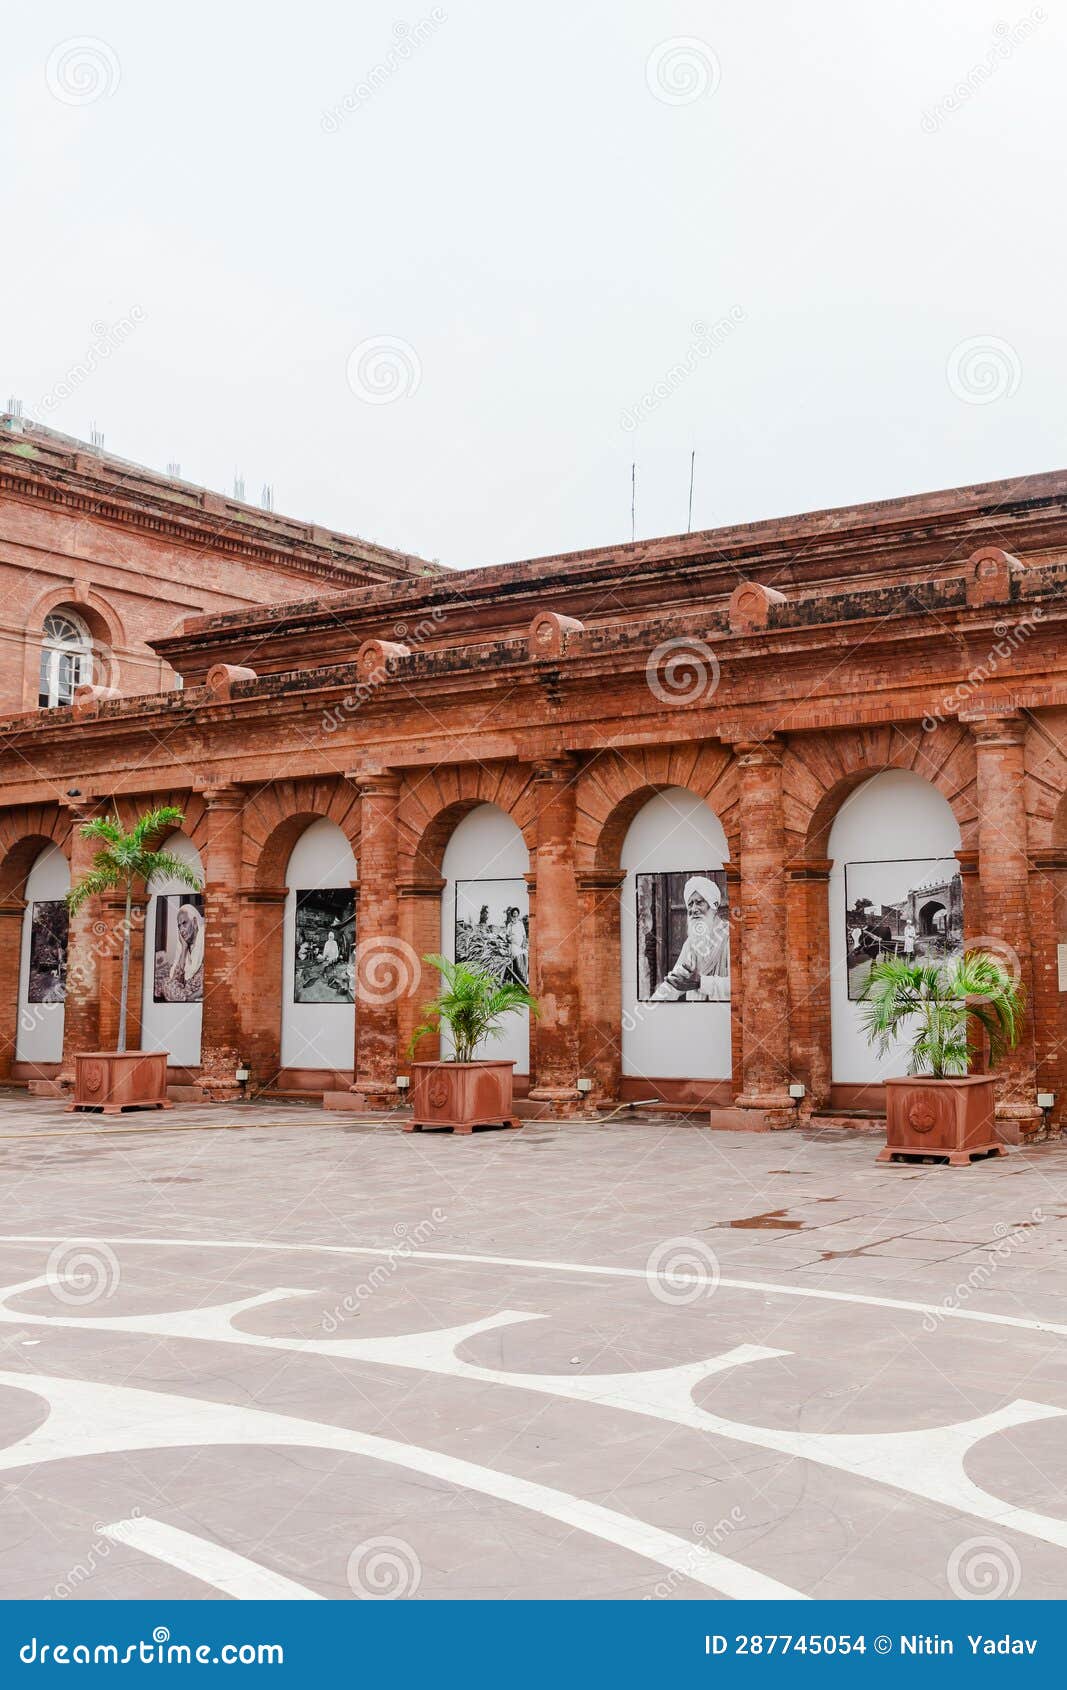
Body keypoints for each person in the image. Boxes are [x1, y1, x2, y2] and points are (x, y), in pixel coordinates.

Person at [651, 877, 730, 1001]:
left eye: (699, 902)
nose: (693, 909)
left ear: (713, 907)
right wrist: (652, 1002)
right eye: (690, 904)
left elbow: (740, 985)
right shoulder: (691, 943)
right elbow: (674, 982)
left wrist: (701, 982)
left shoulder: (729, 937)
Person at [167, 902, 205, 999]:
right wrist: (184, 948)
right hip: (185, 992)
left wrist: (192, 997)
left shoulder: (205, 945)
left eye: (184, 923)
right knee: (167, 984)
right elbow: (176, 979)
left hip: (193, 994)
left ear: (195, 922)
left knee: (169, 987)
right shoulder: (186, 946)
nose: (181, 930)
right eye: (179, 926)